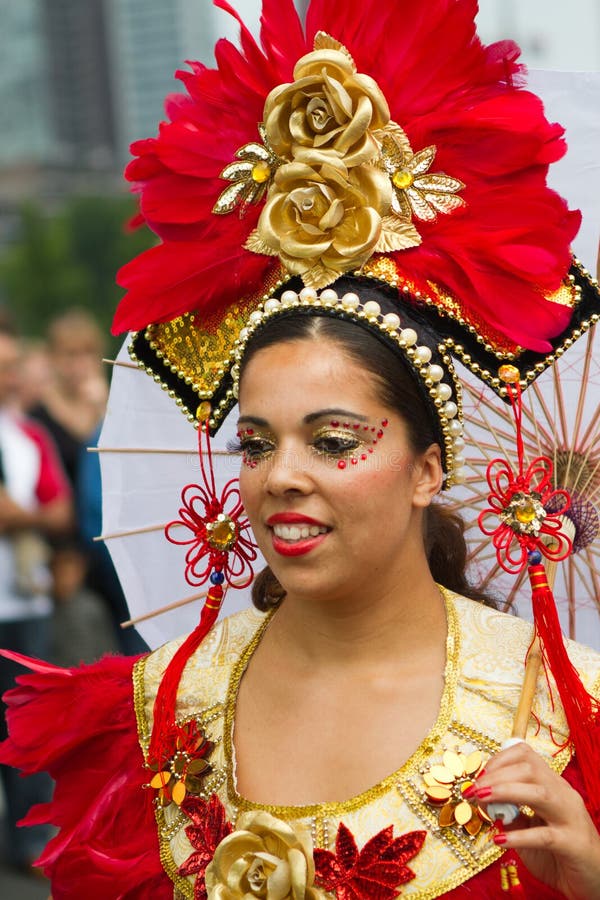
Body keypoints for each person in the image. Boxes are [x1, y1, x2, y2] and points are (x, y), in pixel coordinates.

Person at [2, 0, 600, 897]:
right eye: (253, 442)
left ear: (428, 470)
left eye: (333, 440)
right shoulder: (161, 707)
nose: (281, 477)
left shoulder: (563, 708)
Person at [0, 320, 72, 871]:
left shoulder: (28, 436)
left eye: (9, 365)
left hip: (26, 601)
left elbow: (61, 509)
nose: (6, 375)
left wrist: (19, 516)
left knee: (25, 730)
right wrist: (33, 516)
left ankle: (26, 837)